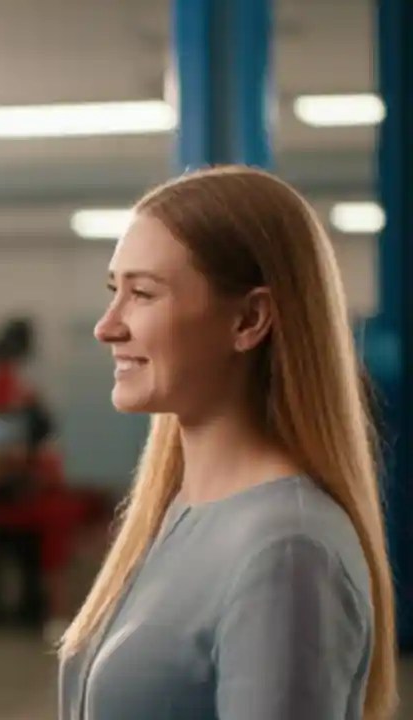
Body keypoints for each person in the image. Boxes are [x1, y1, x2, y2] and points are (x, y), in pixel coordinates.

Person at [57, 166, 397, 719]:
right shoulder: (176, 514)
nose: (107, 325)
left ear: (249, 318)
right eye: (113, 290)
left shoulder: (288, 551)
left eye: (142, 293)